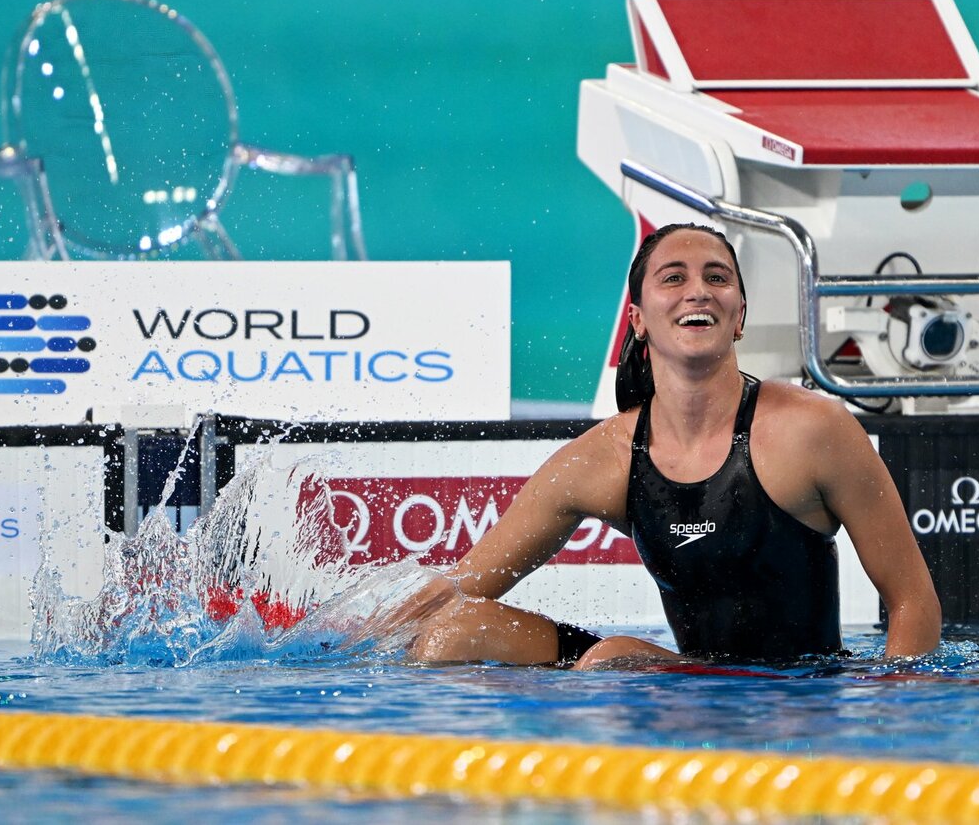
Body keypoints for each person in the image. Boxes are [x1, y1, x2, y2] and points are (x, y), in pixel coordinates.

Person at [395, 222, 941, 669]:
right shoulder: (603, 458)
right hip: (681, 683)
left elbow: (913, 602)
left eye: (717, 278)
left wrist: (884, 723)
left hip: (801, 689)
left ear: (740, 317)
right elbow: (460, 589)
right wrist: (341, 647)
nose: (698, 291)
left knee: (615, 659)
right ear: (638, 320)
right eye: (673, 277)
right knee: (454, 633)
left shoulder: (811, 430)